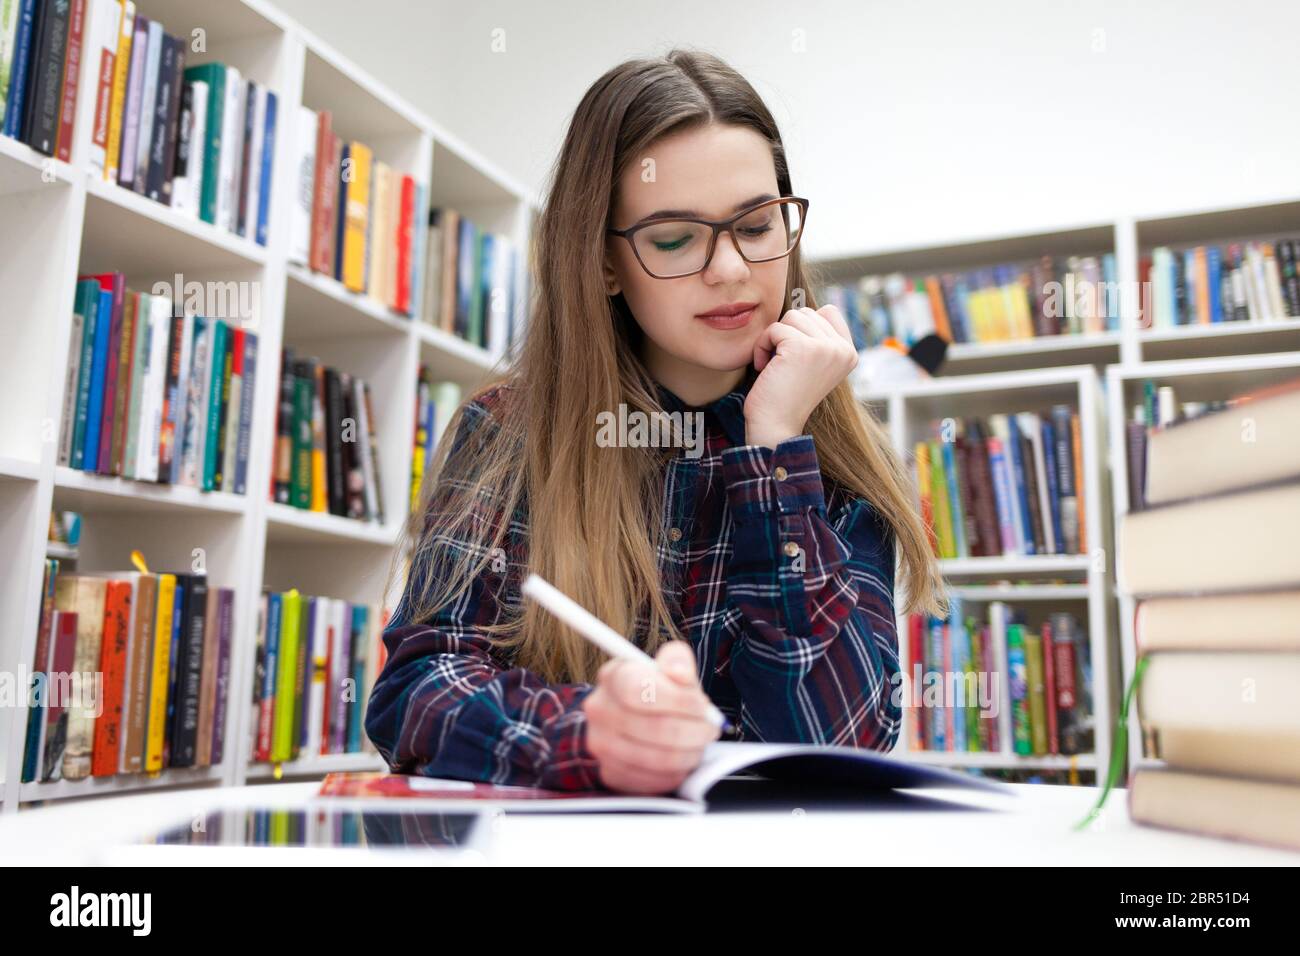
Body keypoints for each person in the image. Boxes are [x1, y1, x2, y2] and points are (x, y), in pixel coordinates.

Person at [365, 49, 945, 795]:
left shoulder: (836, 461)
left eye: (758, 225)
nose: (732, 270)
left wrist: (774, 452)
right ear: (602, 262)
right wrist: (587, 736)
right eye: (674, 239)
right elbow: (414, 694)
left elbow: (840, 746)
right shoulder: (507, 435)